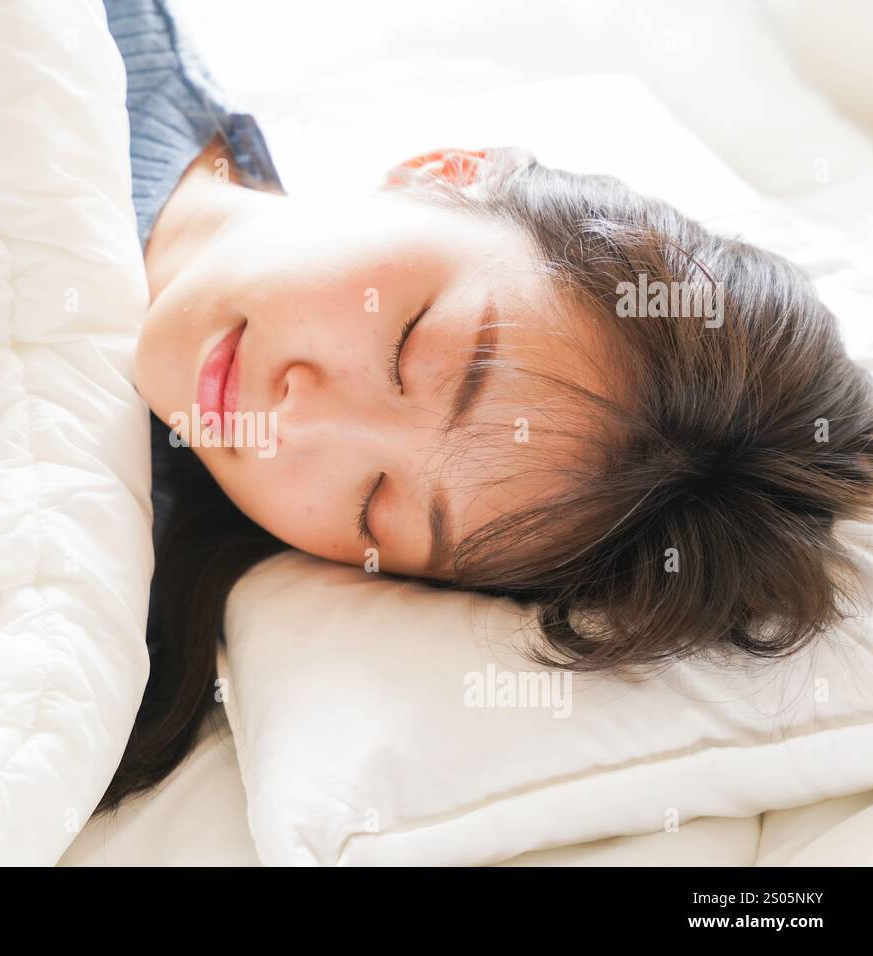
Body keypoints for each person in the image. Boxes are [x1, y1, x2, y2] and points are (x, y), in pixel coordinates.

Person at [99, 0, 873, 812]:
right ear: (450, 170)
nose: (296, 421)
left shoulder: (94, 603)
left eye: (375, 506)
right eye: (407, 345)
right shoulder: (90, 43)